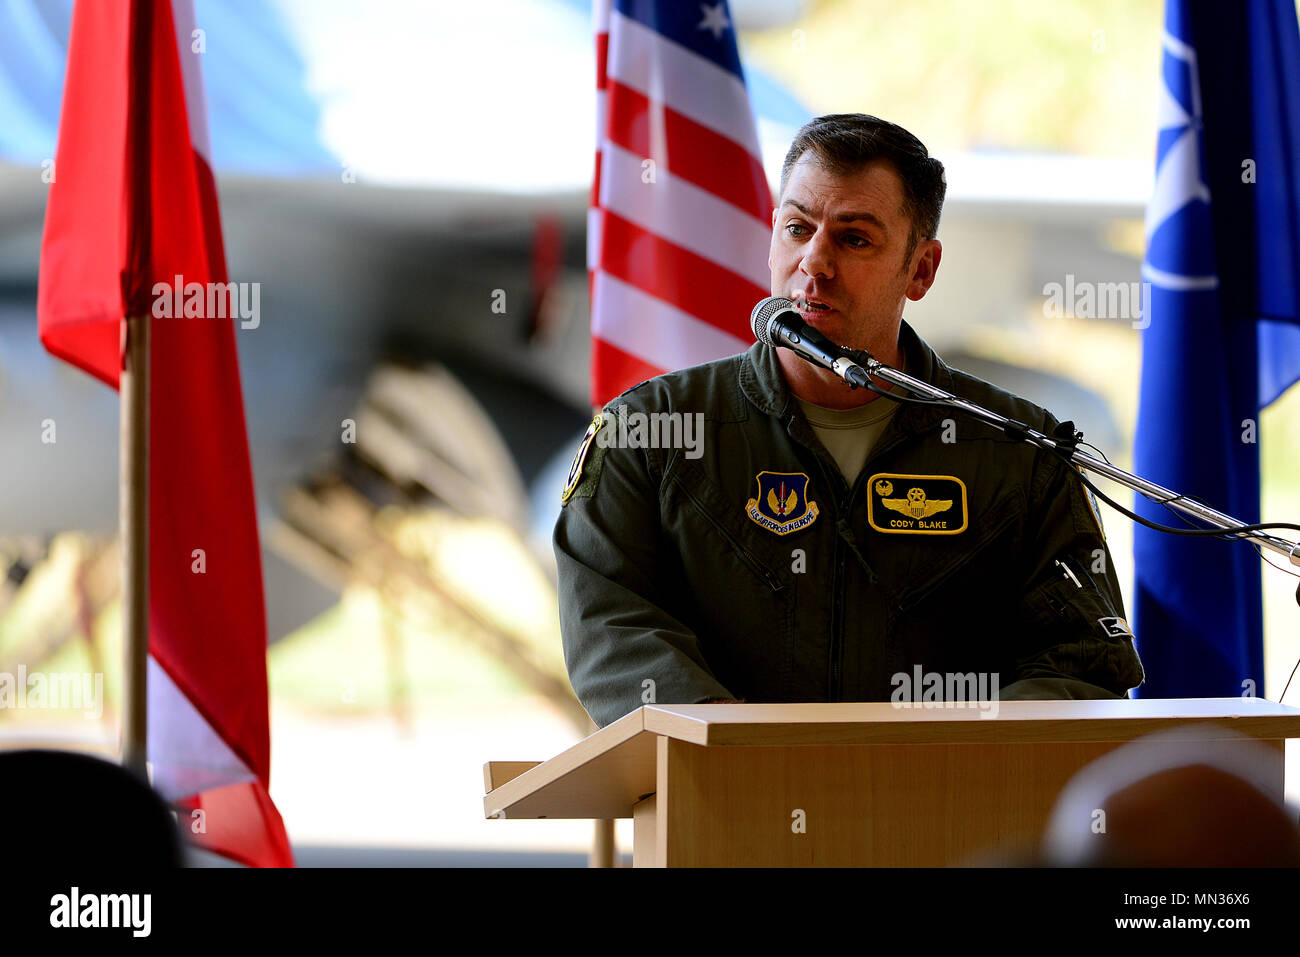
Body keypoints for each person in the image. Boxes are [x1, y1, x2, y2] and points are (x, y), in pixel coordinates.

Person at [556, 113, 1145, 729]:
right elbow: (611, 626)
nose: (814, 261)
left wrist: (957, 753)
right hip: (726, 807)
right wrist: (729, 742)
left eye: (854, 239)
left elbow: (1081, 665)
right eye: (796, 228)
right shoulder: (649, 431)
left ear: (921, 269)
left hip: (953, 812)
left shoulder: (1018, 449)